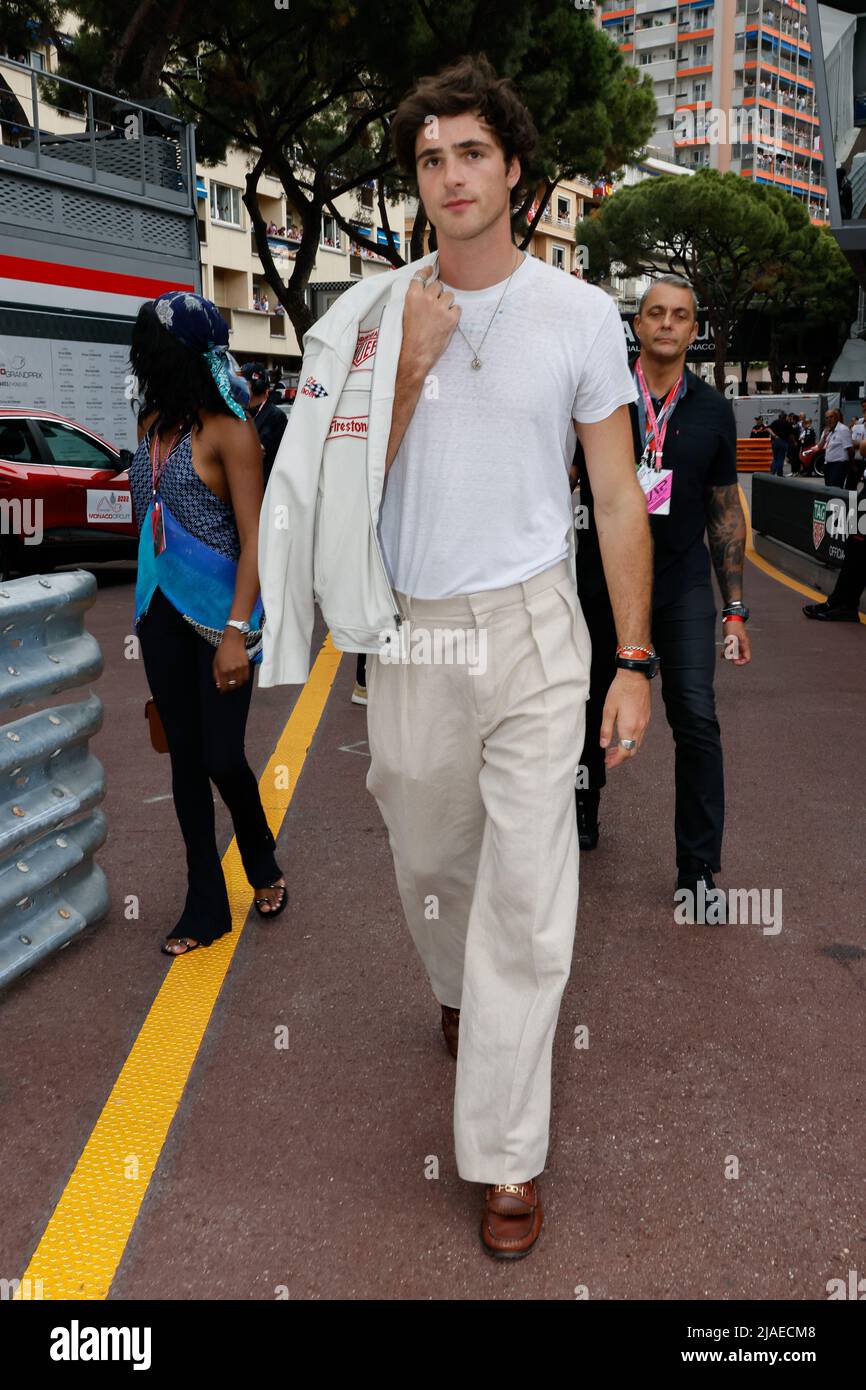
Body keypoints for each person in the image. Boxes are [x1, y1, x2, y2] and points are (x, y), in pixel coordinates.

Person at [574, 274, 752, 907]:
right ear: (638, 324)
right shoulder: (604, 397)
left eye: (680, 315)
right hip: (599, 582)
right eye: (656, 313)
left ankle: (698, 869)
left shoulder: (712, 411)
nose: (668, 324)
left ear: (694, 329)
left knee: (697, 720)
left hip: (679, 588)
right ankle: (582, 806)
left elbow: (724, 511)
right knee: (586, 706)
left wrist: (734, 609)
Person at [128, 293, 287, 956]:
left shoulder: (230, 429)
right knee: (185, 763)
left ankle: (262, 861)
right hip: (159, 613)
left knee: (222, 756)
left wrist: (233, 634)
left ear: (176, 355)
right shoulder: (150, 422)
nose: (138, 358)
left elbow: (254, 539)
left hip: (223, 620)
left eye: (148, 347)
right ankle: (204, 906)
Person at [240, 361, 288, 487]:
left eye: (243, 384)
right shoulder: (239, 413)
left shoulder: (276, 416)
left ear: (258, 386)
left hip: (264, 488)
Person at [822, 408, 854, 488]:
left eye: (831, 417)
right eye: (827, 418)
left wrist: (851, 464)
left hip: (839, 465)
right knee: (829, 490)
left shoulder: (843, 429)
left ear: (836, 418)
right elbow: (822, 446)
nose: (829, 419)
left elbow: (850, 449)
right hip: (828, 465)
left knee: (835, 490)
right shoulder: (829, 431)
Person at [769, 410, 791, 475]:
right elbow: (791, 434)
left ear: (779, 417)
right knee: (781, 458)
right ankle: (779, 473)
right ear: (785, 417)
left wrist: (775, 436)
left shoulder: (775, 422)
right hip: (783, 442)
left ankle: (772, 473)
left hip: (775, 442)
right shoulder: (787, 423)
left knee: (775, 458)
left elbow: (768, 429)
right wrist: (793, 442)